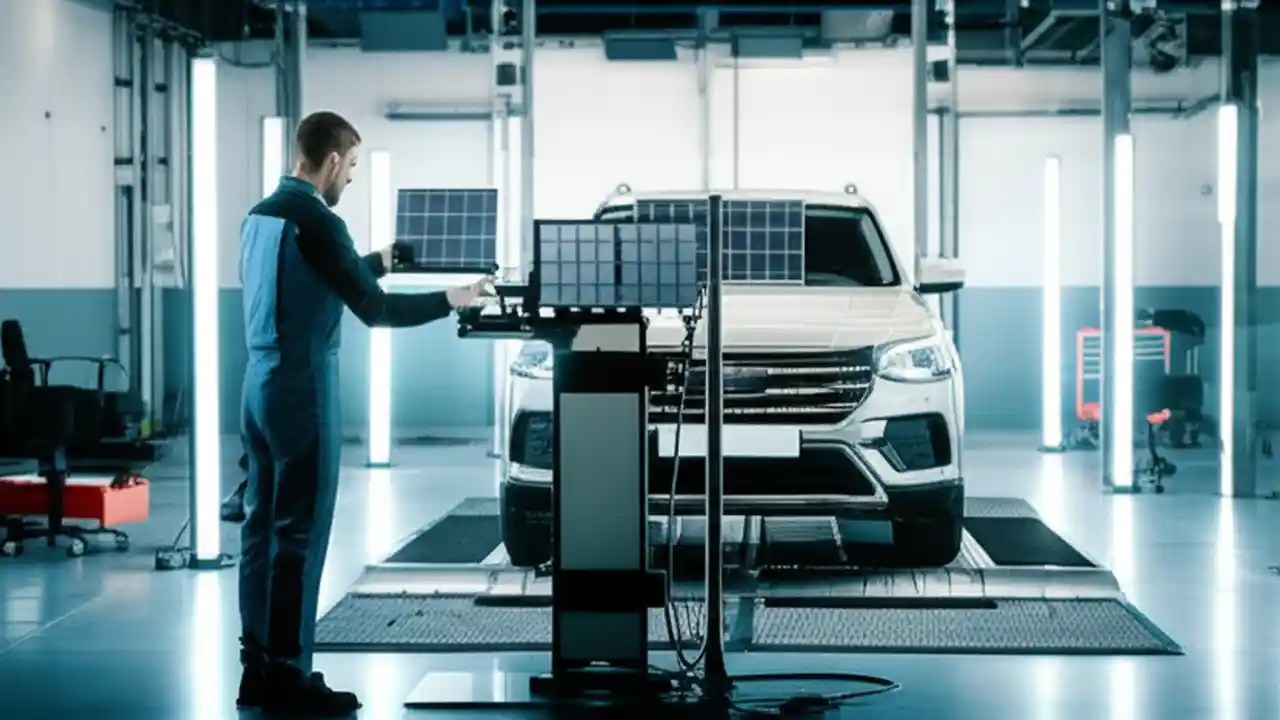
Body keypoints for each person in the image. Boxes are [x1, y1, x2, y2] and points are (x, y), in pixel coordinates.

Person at [234, 110, 492, 716]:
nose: (349, 179)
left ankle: (258, 669)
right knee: (301, 532)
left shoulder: (261, 215)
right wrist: (450, 299)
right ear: (329, 162)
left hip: (258, 385)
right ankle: (293, 677)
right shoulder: (321, 221)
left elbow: (319, 275)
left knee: (259, 531)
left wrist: (377, 257)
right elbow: (374, 311)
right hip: (303, 390)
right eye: (349, 167)